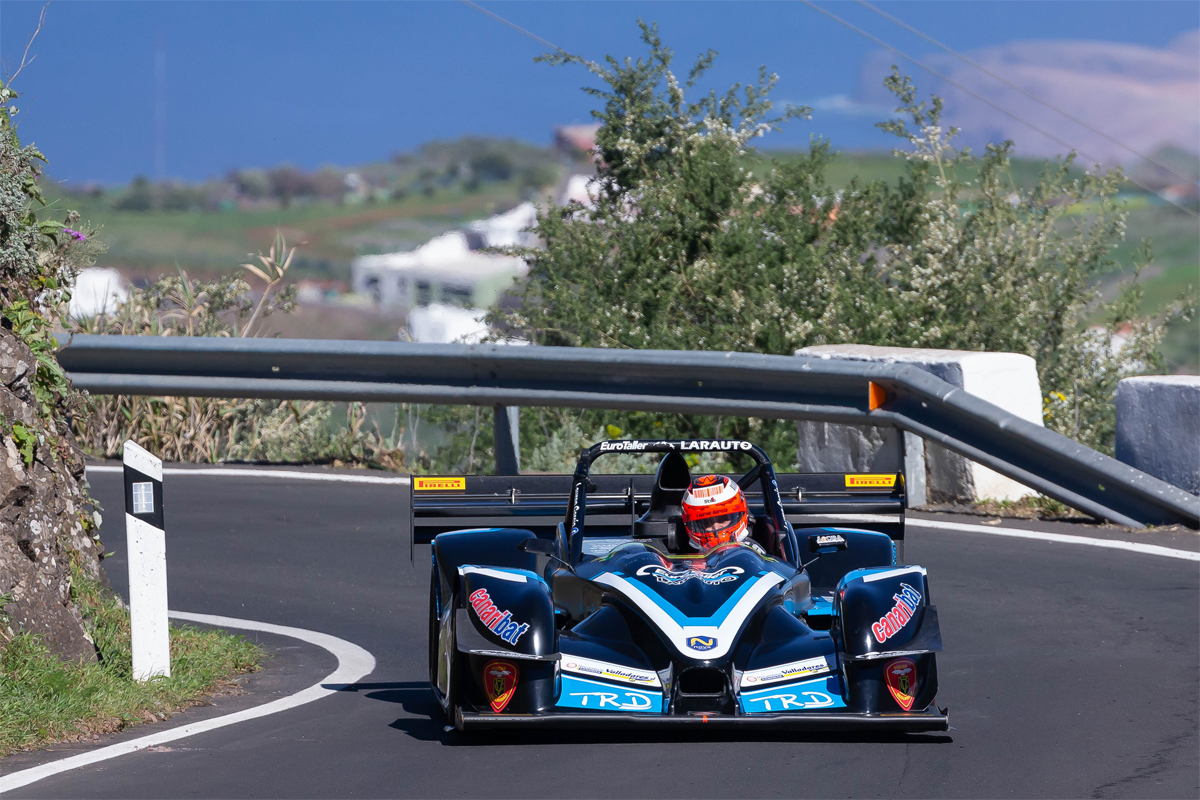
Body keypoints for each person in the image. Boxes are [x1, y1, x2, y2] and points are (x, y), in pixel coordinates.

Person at [680, 475, 756, 552]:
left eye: (723, 519)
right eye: (706, 523)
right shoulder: (684, 559)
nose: (716, 528)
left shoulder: (755, 553)